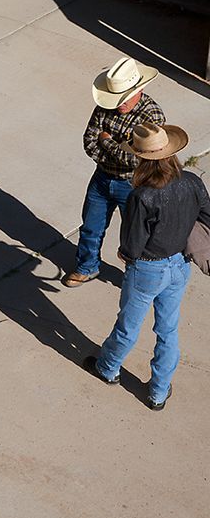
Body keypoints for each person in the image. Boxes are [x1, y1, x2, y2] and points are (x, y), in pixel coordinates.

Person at [83, 123, 210, 410]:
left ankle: (108, 368)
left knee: (128, 327)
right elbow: (207, 216)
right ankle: (158, 392)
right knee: (168, 330)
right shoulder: (192, 181)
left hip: (148, 270)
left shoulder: (142, 195)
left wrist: (124, 254)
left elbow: (132, 244)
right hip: (180, 265)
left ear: (142, 158)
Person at [63, 57, 165, 287]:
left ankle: (135, 278)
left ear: (139, 89)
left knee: (134, 235)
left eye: (124, 98)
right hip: (101, 178)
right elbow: (89, 141)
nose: (119, 104)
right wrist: (113, 150)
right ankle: (87, 267)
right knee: (90, 226)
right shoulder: (105, 107)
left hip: (133, 184)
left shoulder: (152, 116)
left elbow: (136, 160)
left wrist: (106, 142)